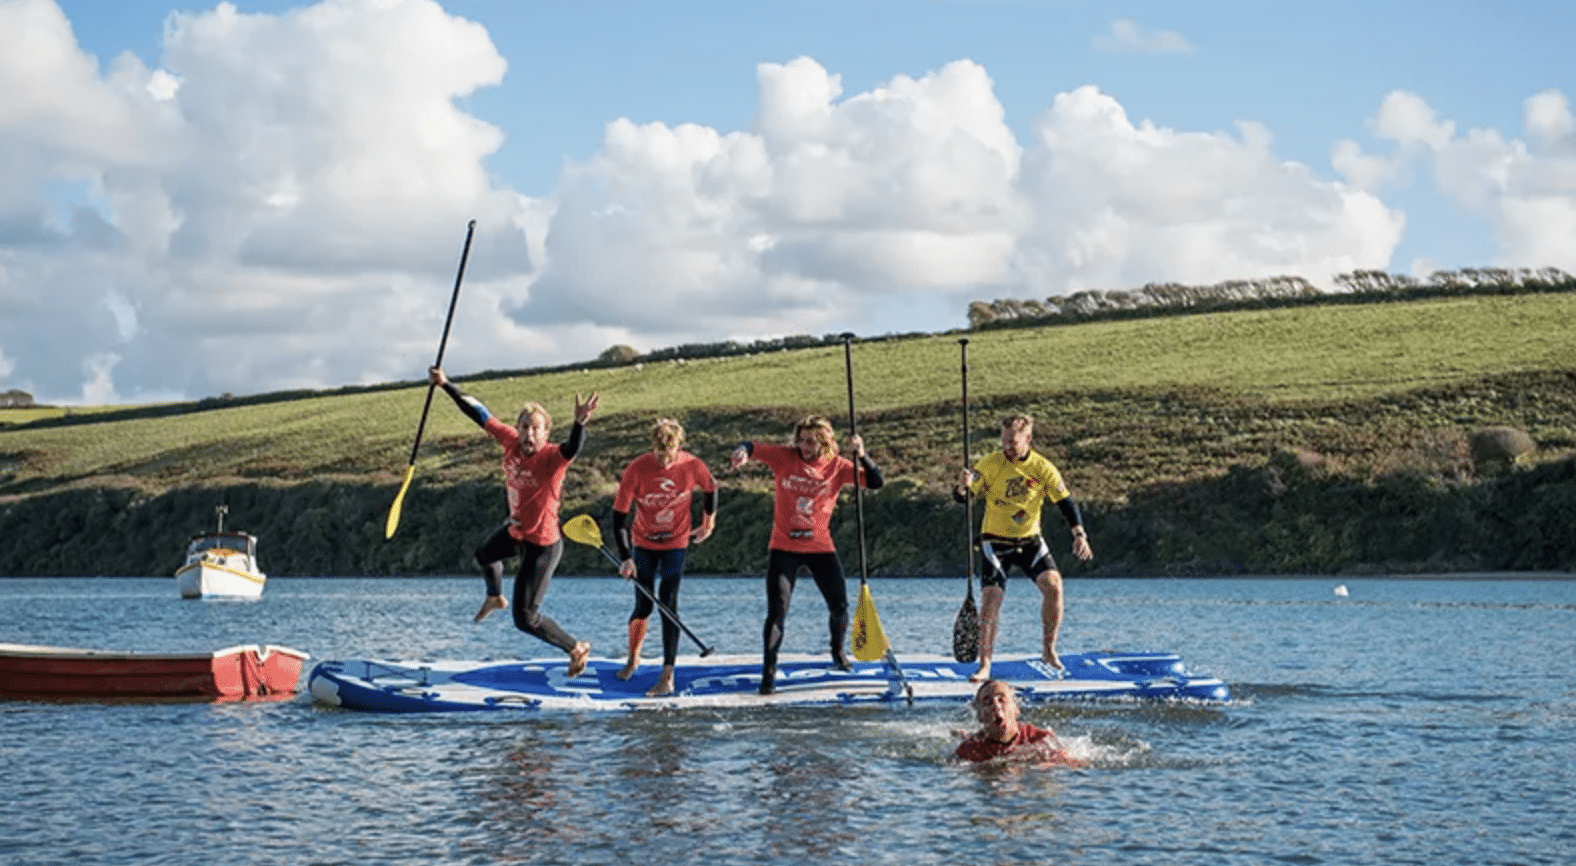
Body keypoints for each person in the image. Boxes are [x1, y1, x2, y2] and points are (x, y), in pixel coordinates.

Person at [429, 365, 599, 677]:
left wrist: (579, 423)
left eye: (536, 429)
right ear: (517, 429)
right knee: (484, 554)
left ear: (545, 433)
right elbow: (478, 412)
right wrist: (445, 384)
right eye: (524, 427)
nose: (528, 434)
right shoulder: (510, 442)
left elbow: (573, 447)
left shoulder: (551, 458)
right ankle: (495, 596)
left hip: (543, 546)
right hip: (517, 532)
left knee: (526, 619)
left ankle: (576, 647)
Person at [729, 415, 884, 695]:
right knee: (777, 612)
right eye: (801, 440)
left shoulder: (837, 466)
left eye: (811, 442)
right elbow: (752, 446)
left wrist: (862, 455)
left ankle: (837, 651)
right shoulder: (784, 457)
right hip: (783, 547)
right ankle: (769, 674)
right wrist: (742, 451)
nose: (805, 446)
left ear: (824, 442)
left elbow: (875, 482)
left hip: (820, 548)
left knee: (839, 606)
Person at [955, 413, 1093, 681]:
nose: (1008, 446)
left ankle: (1048, 649)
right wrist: (962, 488)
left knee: (1054, 586)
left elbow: (1065, 502)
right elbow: (965, 499)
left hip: (1030, 541)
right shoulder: (990, 464)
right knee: (992, 601)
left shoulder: (1042, 467)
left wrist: (1079, 534)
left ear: (1027, 439)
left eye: (1013, 442)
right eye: (1005, 441)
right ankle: (985, 664)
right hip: (995, 543)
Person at [611, 417, 718, 697]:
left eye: (669, 455)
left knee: (668, 604)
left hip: (676, 543)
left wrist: (709, 522)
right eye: (659, 454)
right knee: (644, 605)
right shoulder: (637, 469)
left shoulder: (693, 465)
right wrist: (626, 558)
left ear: (679, 447)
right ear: (653, 448)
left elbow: (711, 488)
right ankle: (633, 658)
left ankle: (667, 676)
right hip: (644, 544)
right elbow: (619, 518)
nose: (664, 461)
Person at [954, 679, 1080, 764]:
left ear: (1016, 709)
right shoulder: (969, 749)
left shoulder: (1040, 739)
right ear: (979, 716)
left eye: (1001, 699)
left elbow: (1076, 764)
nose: (996, 706)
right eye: (987, 702)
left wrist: (1045, 765)